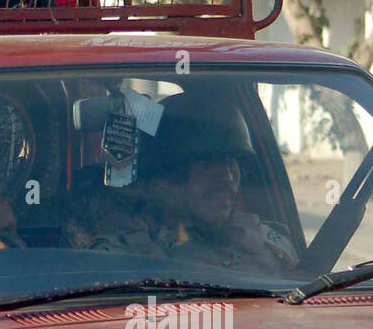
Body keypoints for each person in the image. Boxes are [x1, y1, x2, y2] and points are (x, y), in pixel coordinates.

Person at [65, 93, 299, 275]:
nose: (227, 178)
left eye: (232, 164)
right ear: (165, 181)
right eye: (208, 166)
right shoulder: (123, 258)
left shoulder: (267, 245)